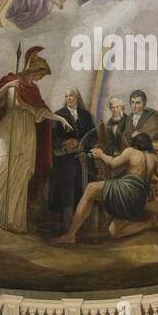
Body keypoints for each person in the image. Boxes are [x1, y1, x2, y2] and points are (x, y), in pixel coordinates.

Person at [0, 47, 73, 232]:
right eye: (40, 73)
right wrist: (7, 87)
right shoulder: (10, 80)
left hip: (27, 134)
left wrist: (60, 118)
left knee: (21, 173)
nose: (41, 77)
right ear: (33, 70)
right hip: (9, 128)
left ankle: (11, 219)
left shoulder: (34, 90)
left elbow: (41, 111)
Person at [52, 133, 158, 243]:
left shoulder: (131, 151)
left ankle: (70, 235)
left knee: (91, 188)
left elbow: (113, 164)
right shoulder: (154, 158)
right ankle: (149, 224)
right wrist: (153, 177)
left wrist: (100, 154)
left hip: (126, 191)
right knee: (114, 232)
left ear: (135, 145)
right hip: (138, 200)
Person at [48, 87, 97, 220]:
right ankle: (67, 223)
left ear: (77, 98)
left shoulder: (86, 115)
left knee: (83, 189)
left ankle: (83, 222)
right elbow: (52, 137)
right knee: (67, 192)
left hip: (83, 158)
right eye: (66, 96)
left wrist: (79, 142)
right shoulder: (58, 114)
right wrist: (65, 142)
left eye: (71, 96)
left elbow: (92, 136)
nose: (68, 98)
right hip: (65, 160)